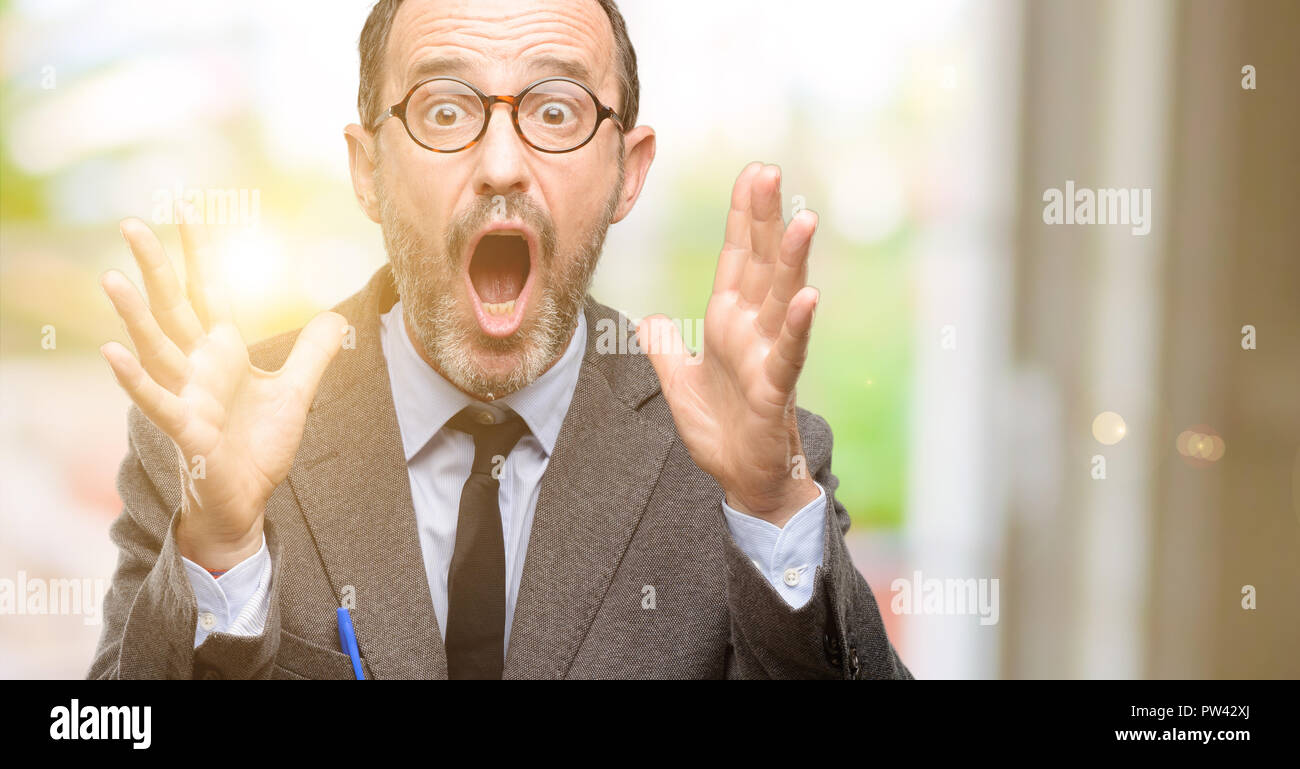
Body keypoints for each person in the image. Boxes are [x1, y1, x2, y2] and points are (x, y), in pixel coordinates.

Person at [89, 0, 910, 679]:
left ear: (629, 169)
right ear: (367, 168)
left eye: (556, 111)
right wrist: (223, 549)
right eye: (446, 110)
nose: (503, 165)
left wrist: (770, 508)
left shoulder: (757, 471)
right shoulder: (204, 447)